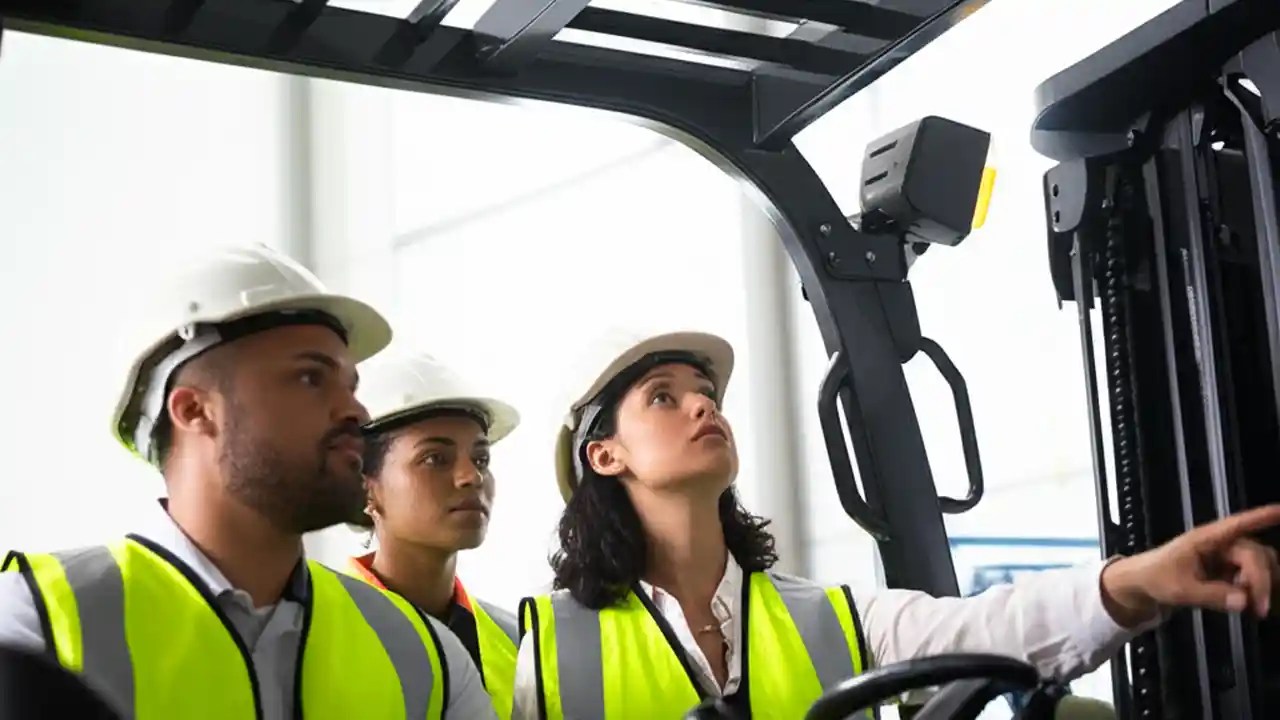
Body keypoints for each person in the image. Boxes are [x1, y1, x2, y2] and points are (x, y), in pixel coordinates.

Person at [513, 329, 1280, 718]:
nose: (704, 404)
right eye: (663, 396)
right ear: (605, 454)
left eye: (704, 391)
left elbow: (995, 628)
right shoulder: (543, 652)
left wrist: (1143, 579)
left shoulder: (834, 619)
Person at [0, 244, 497, 720]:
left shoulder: (422, 652)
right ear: (194, 410)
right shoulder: (34, 617)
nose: (356, 411)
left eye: (352, 386)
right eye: (310, 378)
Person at [346, 352, 522, 718]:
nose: (470, 476)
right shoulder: (317, 628)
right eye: (434, 459)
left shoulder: (516, 642)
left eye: (481, 459)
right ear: (366, 489)